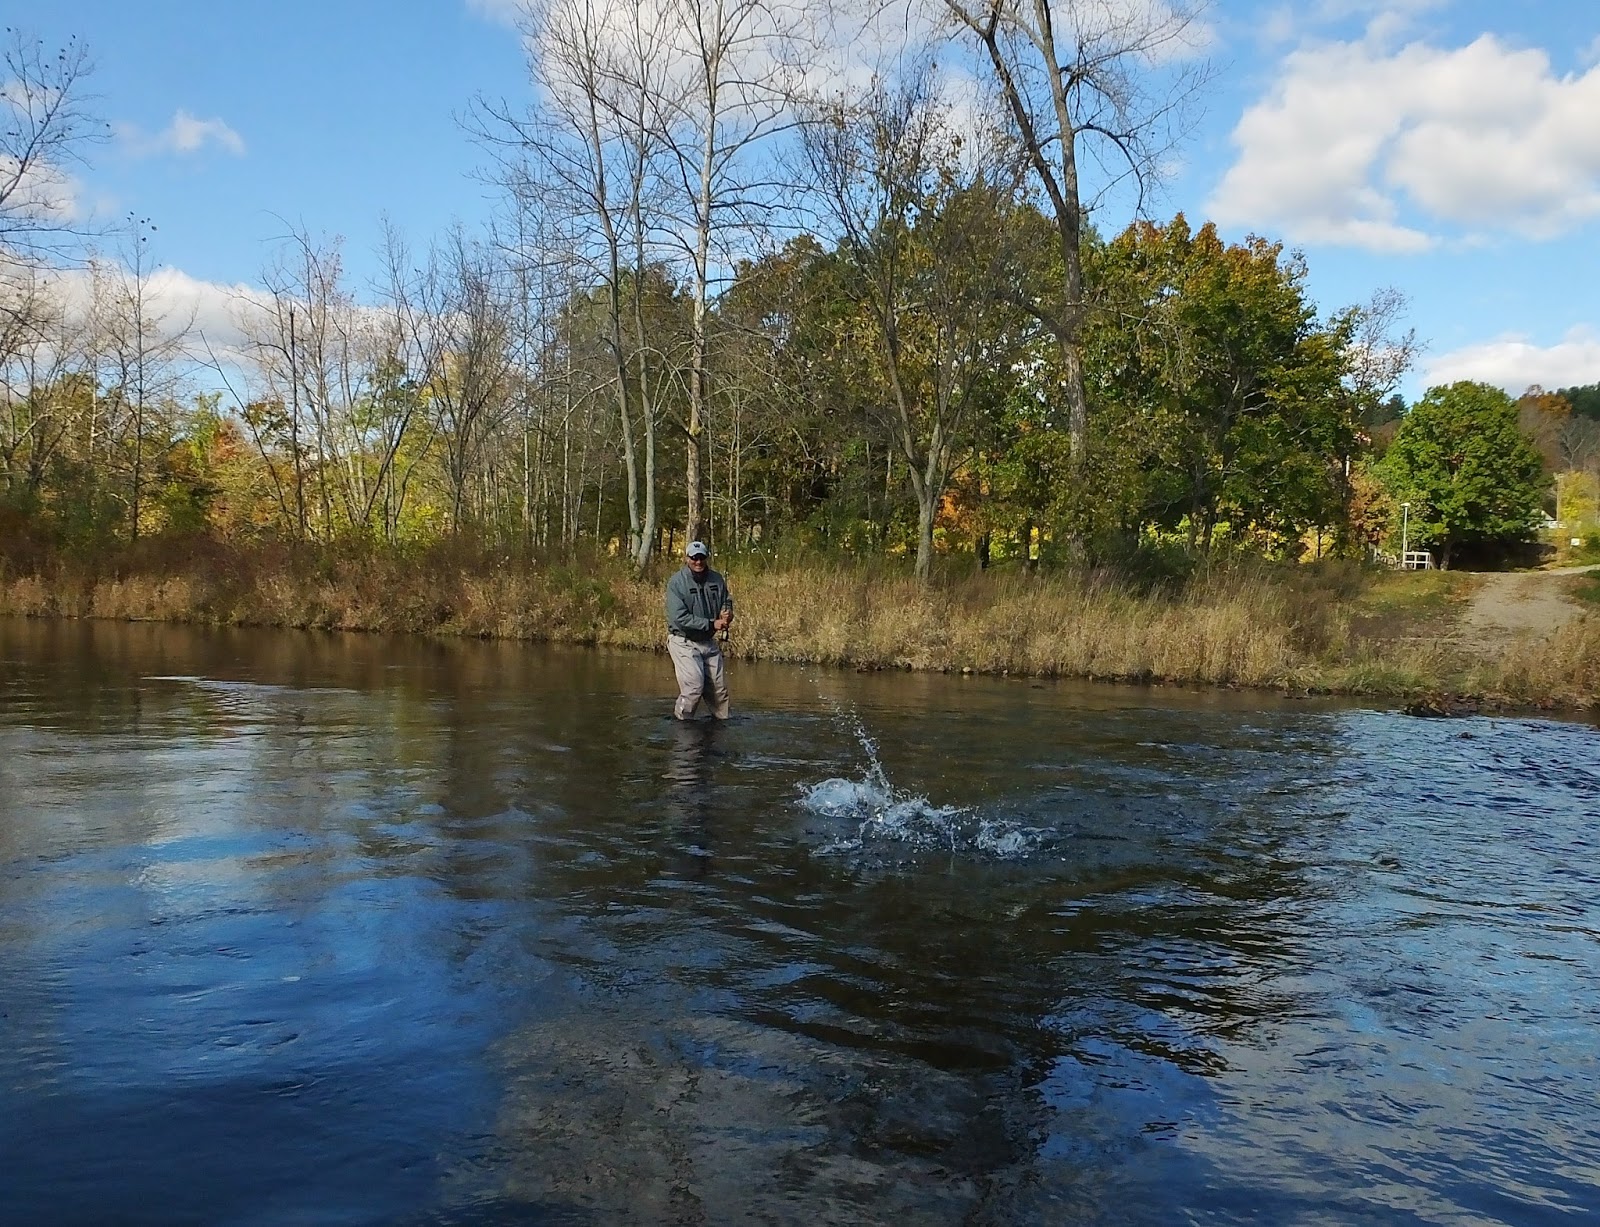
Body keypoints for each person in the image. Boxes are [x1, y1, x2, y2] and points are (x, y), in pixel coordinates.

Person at [665, 540, 733, 720]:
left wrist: (727, 613)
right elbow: (679, 618)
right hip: (683, 641)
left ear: (706, 557)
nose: (698, 562)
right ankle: (682, 723)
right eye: (694, 558)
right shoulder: (676, 583)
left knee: (719, 692)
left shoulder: (716, 579)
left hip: (707, 642)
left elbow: (726, 599)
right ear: (686, 558)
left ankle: (721, 727)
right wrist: (712, 623)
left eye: (701, 557)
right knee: (694, 688)